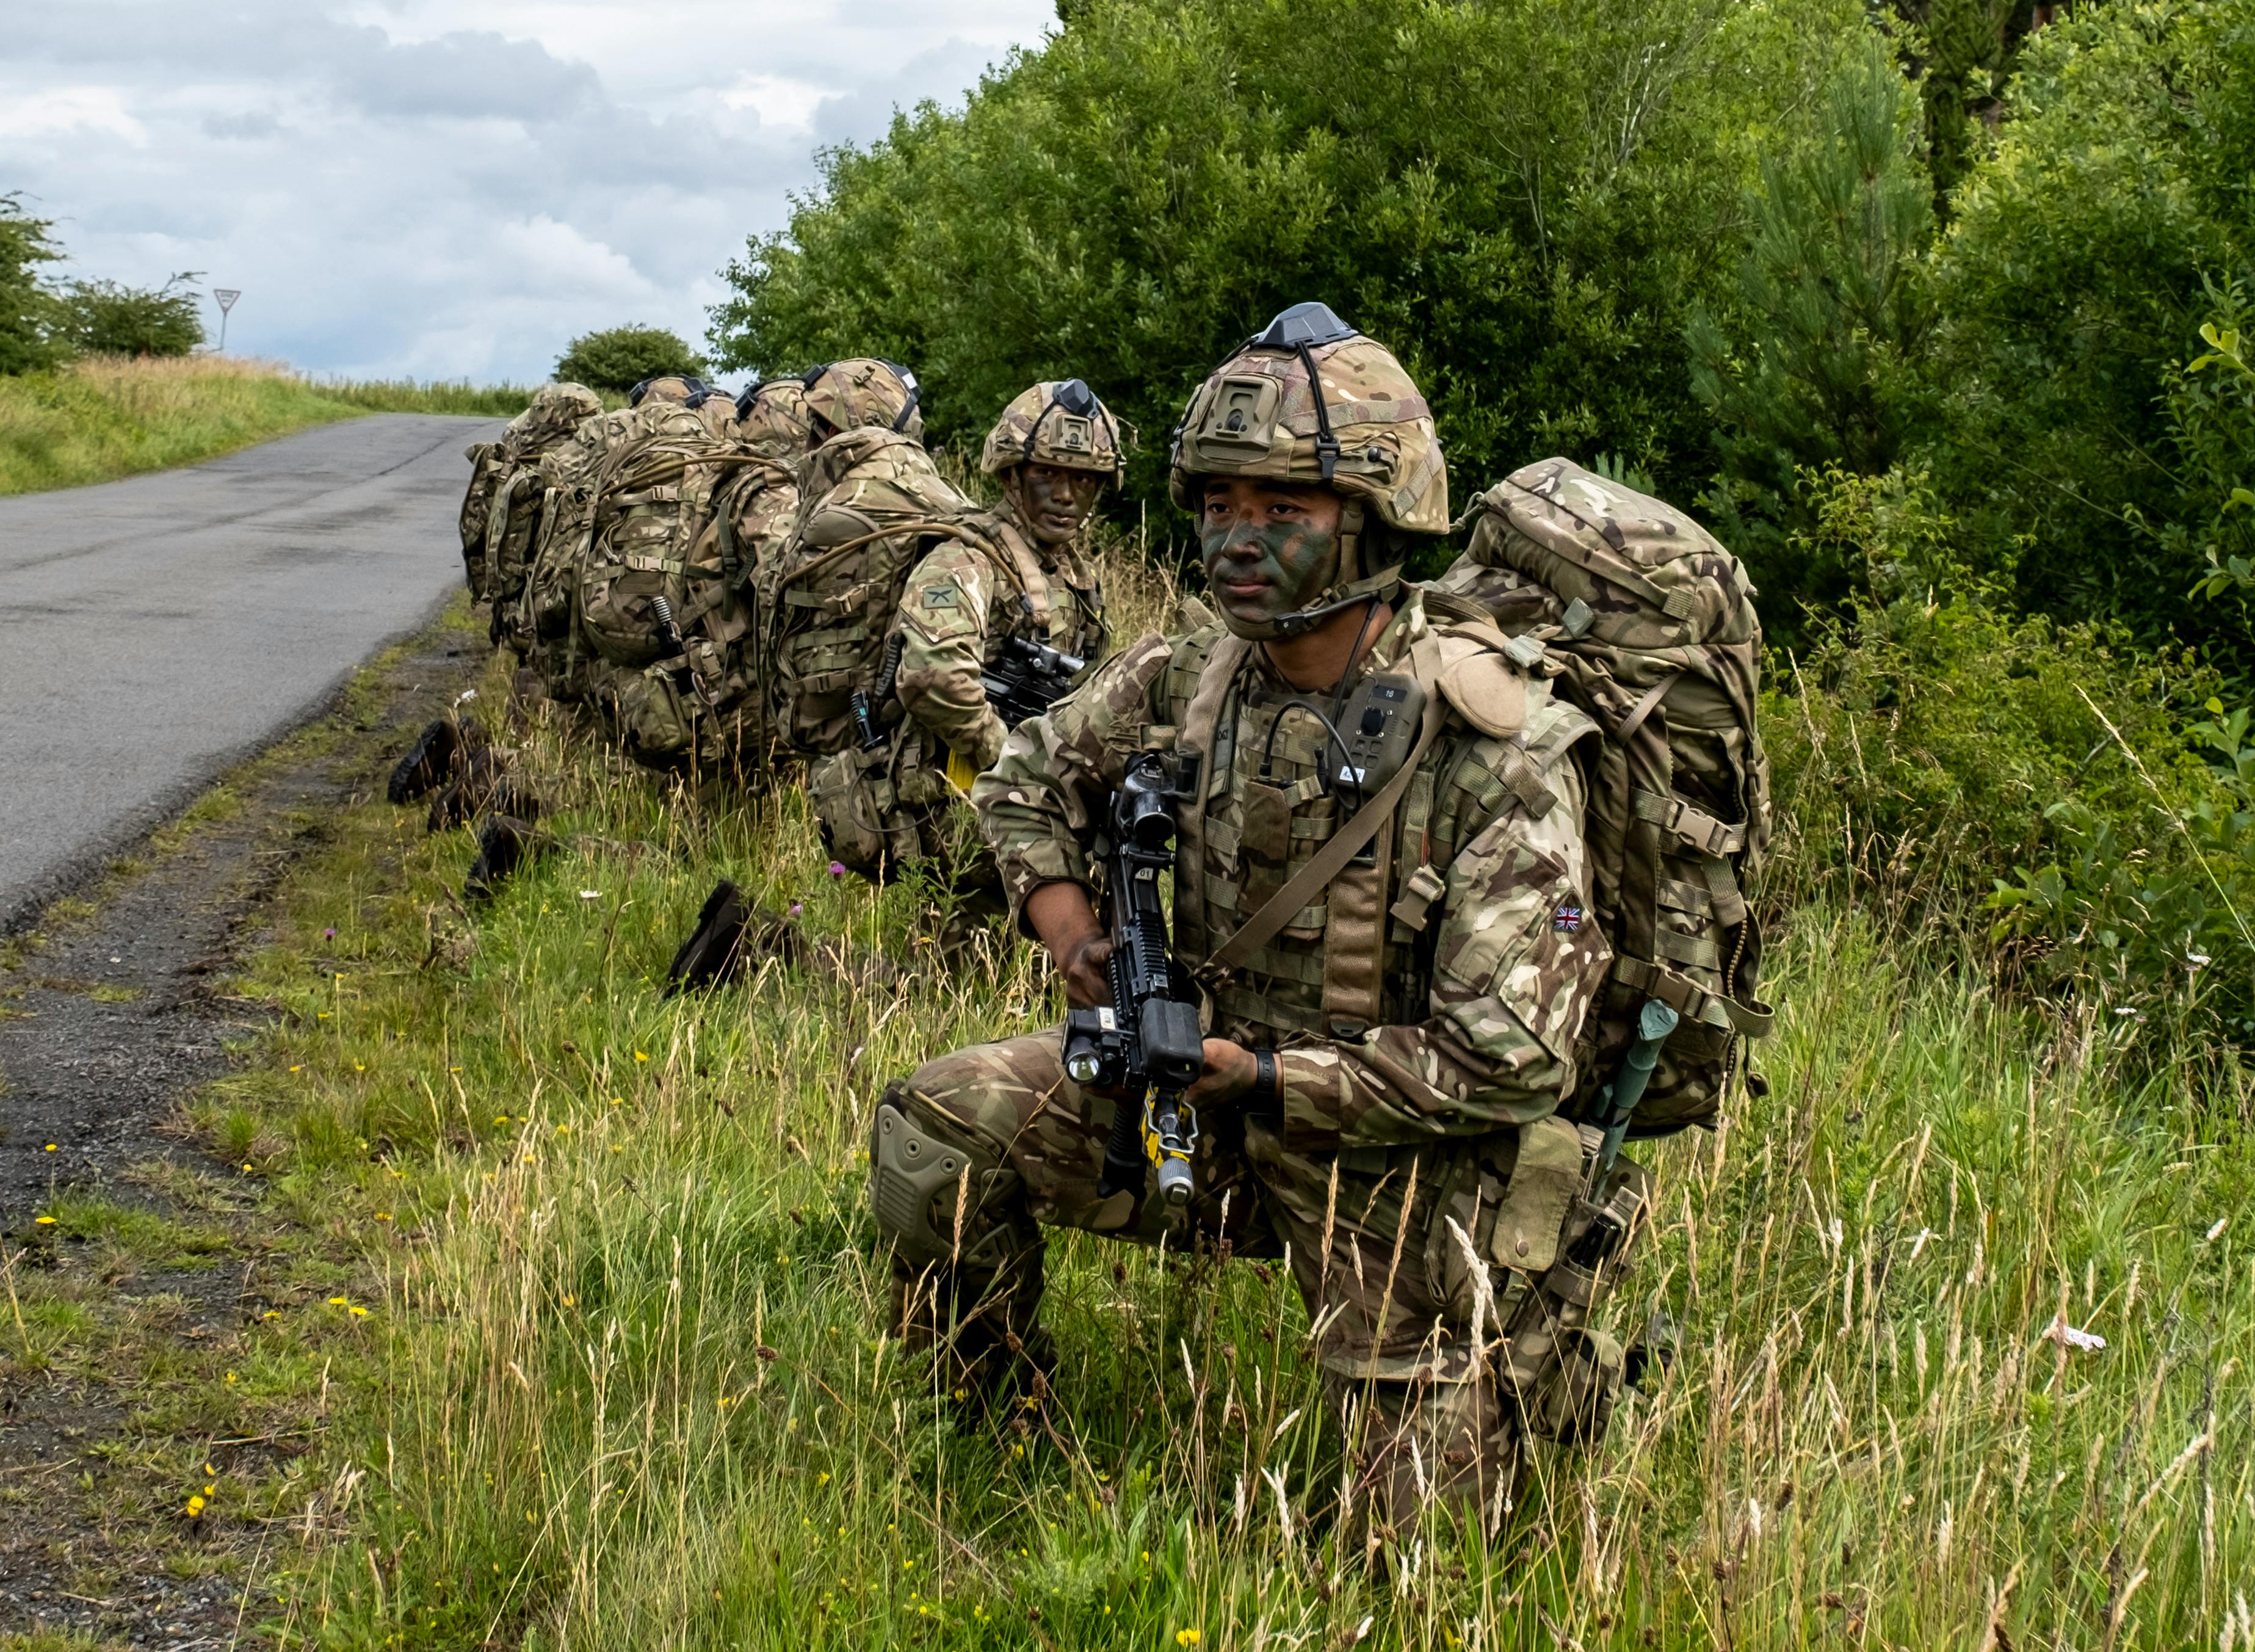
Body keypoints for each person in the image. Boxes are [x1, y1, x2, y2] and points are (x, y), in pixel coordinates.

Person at [867, 302, 1631, 1542]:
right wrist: (1073, 940)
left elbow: (1511, 1053)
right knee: (935, 1128)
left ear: (1375, 521)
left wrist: (1271, 1072)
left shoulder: (1492, 741)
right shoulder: (1190, 676)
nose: (1236, 538)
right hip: (1201, 1112)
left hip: (1407, 1179)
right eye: (1218, 504)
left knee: (1412, 1573)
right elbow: (1017, 784)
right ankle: (996, 1427)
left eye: (1282, 510)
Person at [815, 380, 1120, 929]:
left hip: (1001, 791)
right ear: (1010, 477)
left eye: (1083, 479)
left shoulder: (1072, 576)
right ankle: (759, 951)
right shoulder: (966, 560)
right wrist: (1017, 764)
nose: (1067, 494)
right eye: (1047, 475)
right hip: (945, 795)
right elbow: (933, 677)